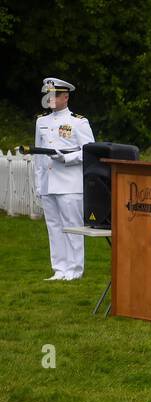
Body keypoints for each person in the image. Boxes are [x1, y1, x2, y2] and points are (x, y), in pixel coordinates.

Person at [34, 77, 94, 281]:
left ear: (65, 96)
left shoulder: (78, 122)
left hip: (69, 183)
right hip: (48, 183)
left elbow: (90, 152)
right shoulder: (41, 121)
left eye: (55, 95)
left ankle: (75, 270)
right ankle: (59, 269)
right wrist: (38, 184)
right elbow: (39, 156)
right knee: (54, 227)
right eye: (48, 95)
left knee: (72, 227)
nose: (50, 99)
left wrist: (66, 157)